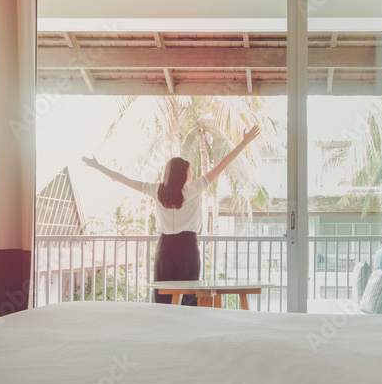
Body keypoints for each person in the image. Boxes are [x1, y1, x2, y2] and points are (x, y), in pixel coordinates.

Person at [82, 125, 261, 305]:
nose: (191, 174)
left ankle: (163, 330)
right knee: (189, 295)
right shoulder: (194, 188)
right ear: (183, 173)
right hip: (188, 248)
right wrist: (243, 143)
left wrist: (98, 167)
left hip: (164, 247)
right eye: (189, 171)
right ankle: (186, 330)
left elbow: (125, 180)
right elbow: (222, 165)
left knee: (163, 295)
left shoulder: (156, 190)